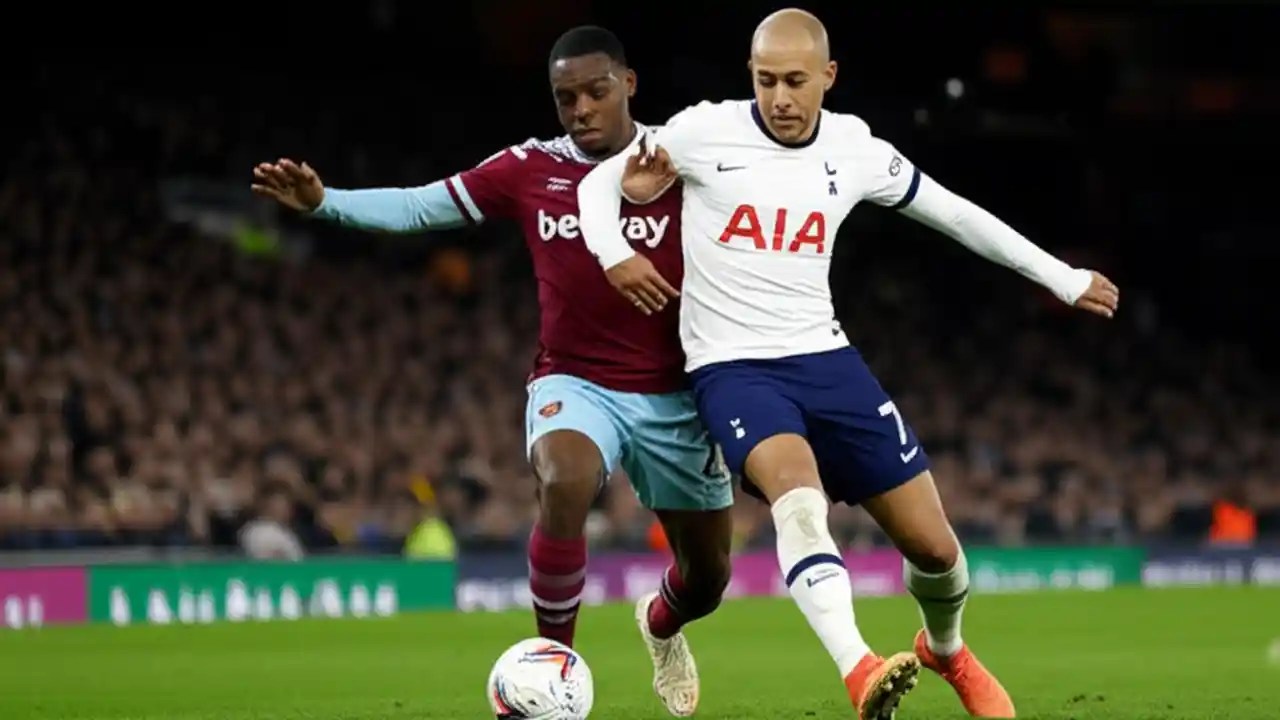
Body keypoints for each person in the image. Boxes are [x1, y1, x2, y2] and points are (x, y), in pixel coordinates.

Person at [576, 9, 1121, 720]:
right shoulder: (703, 131)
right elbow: (597, 184)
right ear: (750, 76)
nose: (780, 98)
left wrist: (1060, 275)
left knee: (937, 551)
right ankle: (859, 668)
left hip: (827, 360)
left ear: (828, 77)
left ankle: (945, 650)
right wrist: (615, 251)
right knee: (797, 503)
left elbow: (954, 213)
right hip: (734, 367)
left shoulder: (854, 147)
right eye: (766, 80)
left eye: (796, 82)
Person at [251, 25, 732, 717]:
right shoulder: (530, 168)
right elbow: (422, 204)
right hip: (576, 381)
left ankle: (661, 624)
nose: (582, 109)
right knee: (564, 480)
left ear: (629, 84)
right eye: (566, 98)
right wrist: (326, 202)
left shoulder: (684, 160)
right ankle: (552, 670)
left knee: (708, 578)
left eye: (596, 92)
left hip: (676, 394)